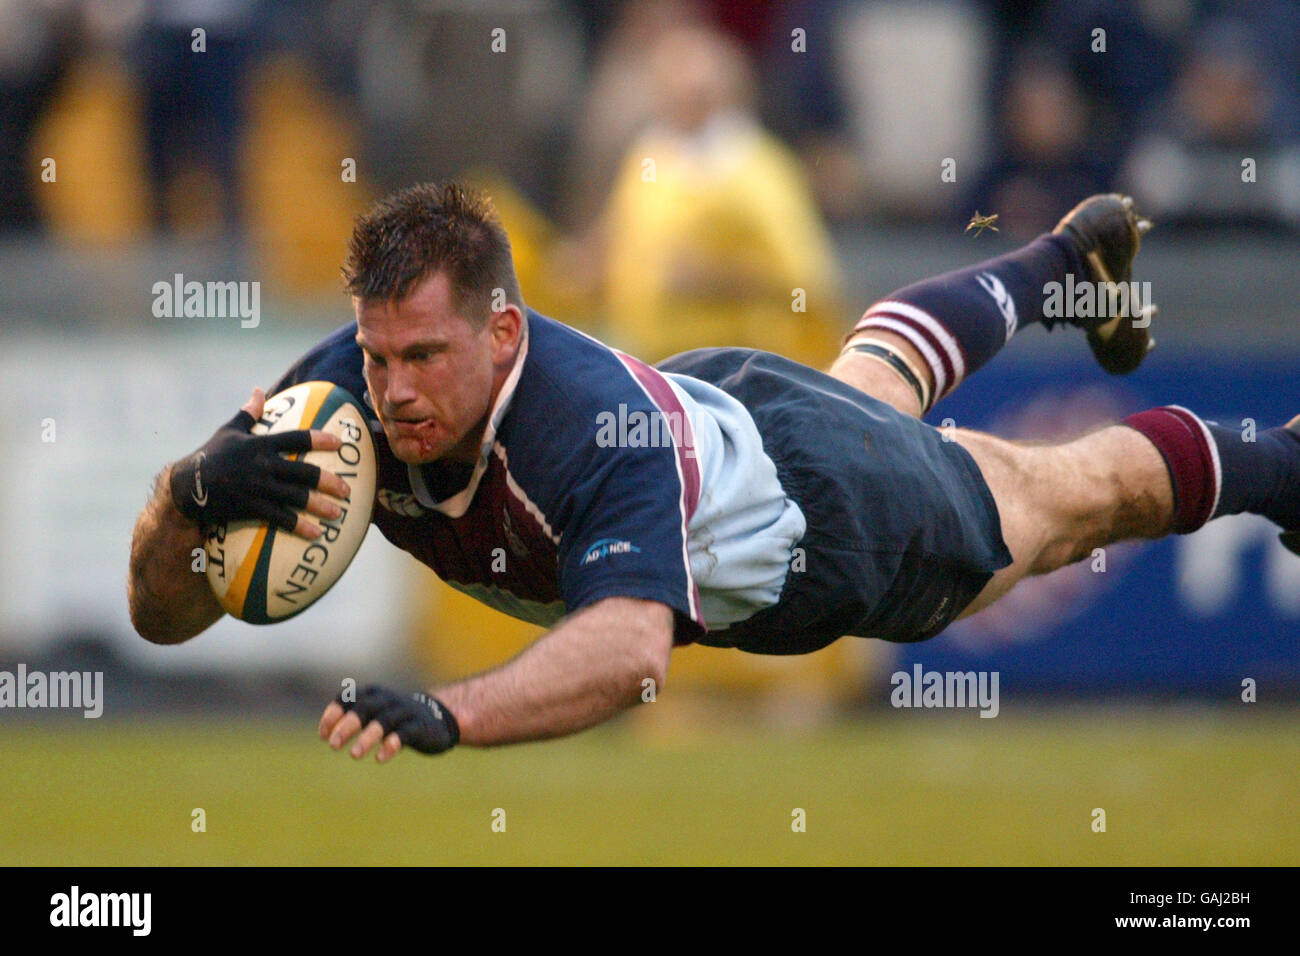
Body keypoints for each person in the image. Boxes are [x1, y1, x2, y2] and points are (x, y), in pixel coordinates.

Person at [127, 183, 1300, 763]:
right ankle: (1064, 257)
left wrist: (453, 710)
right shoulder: (335, 396)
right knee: (877, 375)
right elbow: (165, 616)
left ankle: (1282, 461)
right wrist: (185, 496)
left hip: (831, 518)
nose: (393, 394)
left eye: (423, 357)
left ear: (502, 332)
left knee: (1060, 503)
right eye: (377, 356)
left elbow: (632, 650)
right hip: (724, 400)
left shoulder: (585, 435)